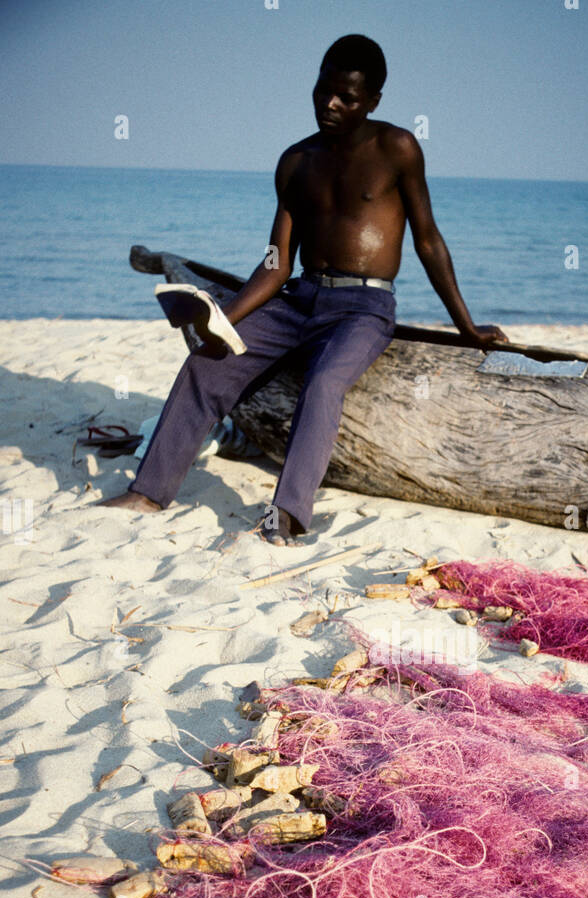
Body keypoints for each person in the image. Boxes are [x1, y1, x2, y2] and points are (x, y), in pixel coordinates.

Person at [100, 33, 508, 544]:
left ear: (374, 102)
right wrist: (225, 316)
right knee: (207, 362)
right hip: (299, 299)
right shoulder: (296, 161)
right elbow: (276, 262)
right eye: (323, 90)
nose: (331, 104)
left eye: (348, 98)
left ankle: (286, 516)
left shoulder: (396, 147)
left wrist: (466, 326)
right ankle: (149, 491)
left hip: (365, 307)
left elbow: (428, 240)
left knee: (324, 383)